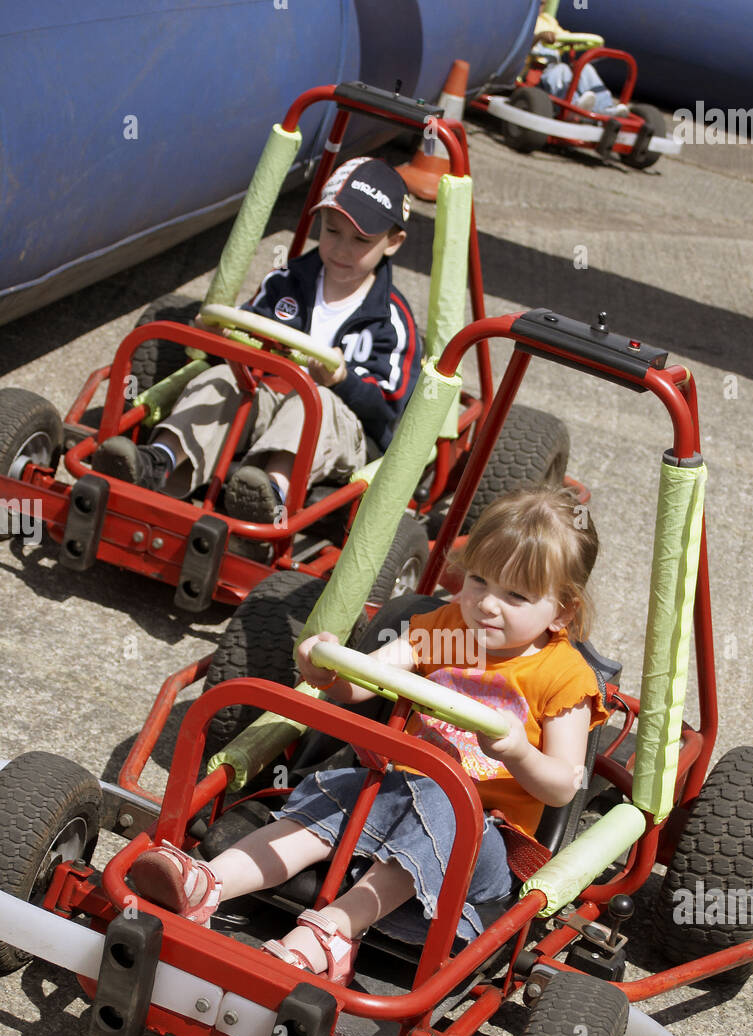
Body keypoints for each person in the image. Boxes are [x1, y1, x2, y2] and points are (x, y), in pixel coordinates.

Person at [126, 487, 609, 984]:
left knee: (440, 797)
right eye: (479, 581)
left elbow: (562, 785)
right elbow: (369, 679)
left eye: (515, 596)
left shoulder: (563, 677)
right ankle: (210, 882)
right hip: (395, 801)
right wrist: (330, 670)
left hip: (480, 849)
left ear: (562, 613)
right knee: (343, 790)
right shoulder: (449, 631)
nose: (487, 605)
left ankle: (332, 933)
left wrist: (517, 750)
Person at [93, 157, 422, 525]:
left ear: (393, 243)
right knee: (219, 379)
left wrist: (342, 381)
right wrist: (221, 337)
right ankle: (159, 460)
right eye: (332, 231)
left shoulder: (391, 321)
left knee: (314, 400)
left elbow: (388, 411)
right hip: (264, 398)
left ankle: (271, 493)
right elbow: (247, 334)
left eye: (360, 240)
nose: (342, 249)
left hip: (341, 430)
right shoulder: (287, 281)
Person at [532, 2, 629, 118]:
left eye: (542, 4)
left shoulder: (548, 21)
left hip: (554, 66)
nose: (539, 8)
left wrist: (584, 43)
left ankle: (605, 108)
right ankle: (571, 106)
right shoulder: (525, 24)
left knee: (585, 69)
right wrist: (539, 37)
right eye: (537, 4)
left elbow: (567, 37)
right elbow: (520, 46)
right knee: (561, 69)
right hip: (535, 72)